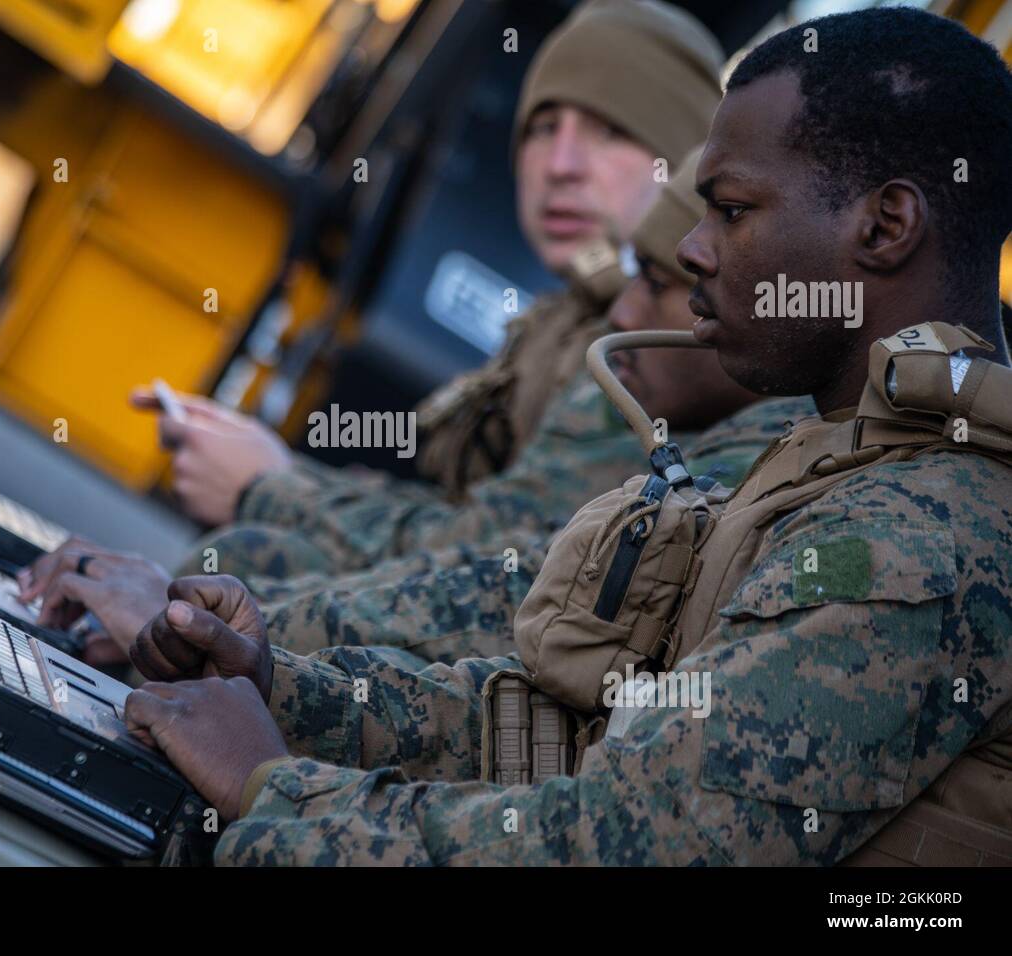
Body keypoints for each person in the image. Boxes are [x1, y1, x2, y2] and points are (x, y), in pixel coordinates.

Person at [117, 7, 1012, 865]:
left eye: (732, 211)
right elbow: (568, 736)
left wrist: (269, 790)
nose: (692, 252)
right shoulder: (839, 461)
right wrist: (284, 687)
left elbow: (621, 844)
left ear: (885, 227)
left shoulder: (919, 541)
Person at [137, 0, 725, 581]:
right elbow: (464, 520)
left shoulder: (650, 349)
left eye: (611, 132)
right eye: (544, 129)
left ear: (677, 170)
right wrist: (265, 464)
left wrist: (267, 486)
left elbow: (493, 571)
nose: (560, 164)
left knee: (241, 566)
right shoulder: (565, 318)